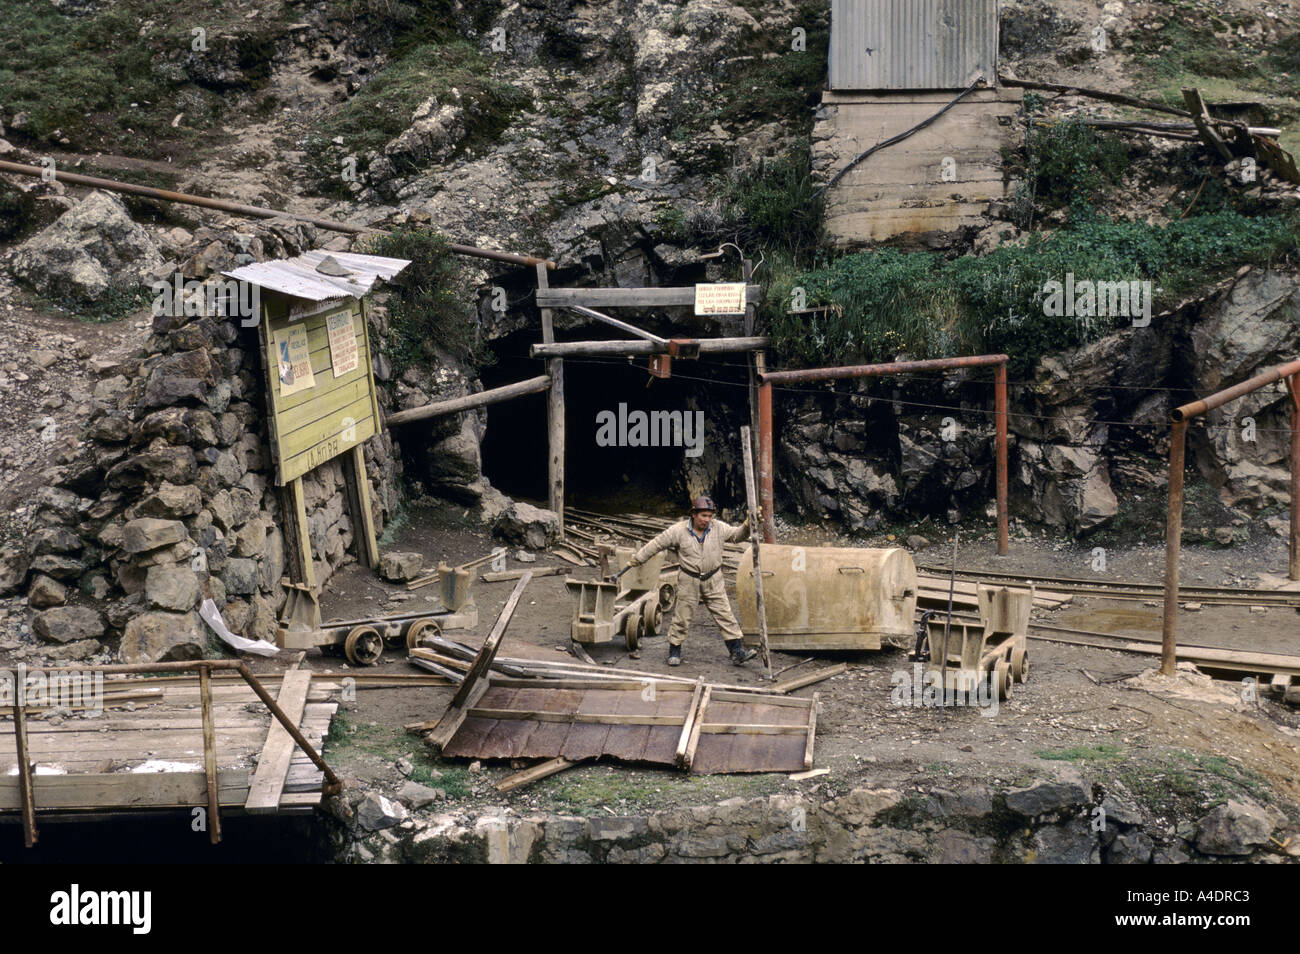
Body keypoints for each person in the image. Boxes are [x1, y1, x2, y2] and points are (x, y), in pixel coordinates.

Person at [626, 495, 758, 667]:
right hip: (689, 580)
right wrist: (637, 559)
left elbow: (736, 536)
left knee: (725, 614)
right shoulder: (678, 531)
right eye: (703, 516)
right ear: (694, 514)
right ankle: (674, 651)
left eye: (710, 516)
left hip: (713, 579)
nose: (707, 520)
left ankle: (737, 652)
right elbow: (656, 544)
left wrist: (748, 525)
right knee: (682, 615)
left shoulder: (718, 528)